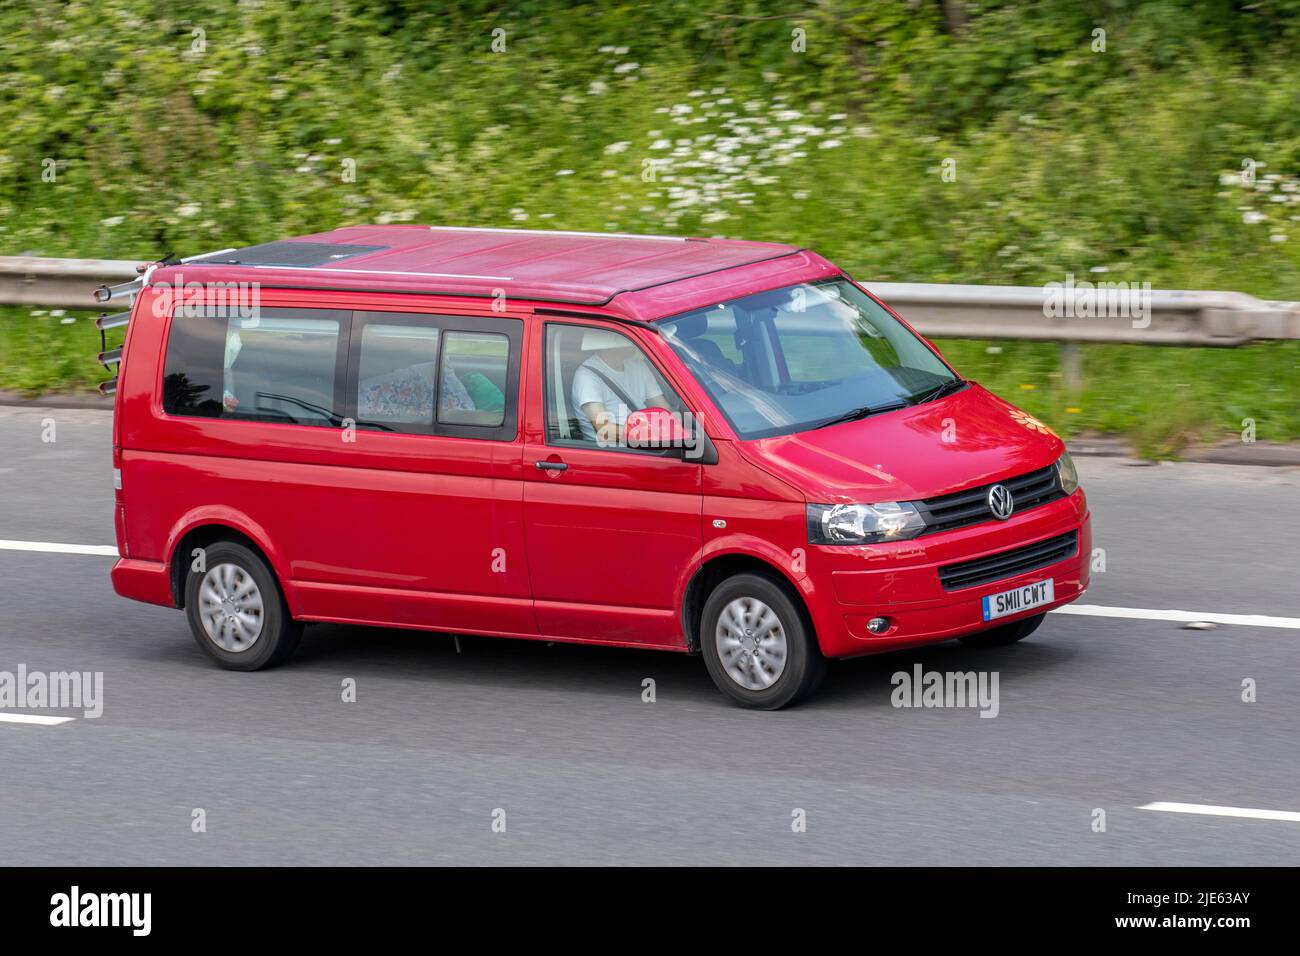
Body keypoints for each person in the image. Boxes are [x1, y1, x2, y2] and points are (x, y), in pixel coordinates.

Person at [571, 330, 671, 445]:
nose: (632, 343)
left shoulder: (638, 366)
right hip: (615, 454)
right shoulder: (587, 376)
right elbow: (605, 430)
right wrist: (651, 435)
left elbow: (664, 409)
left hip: (647, 445)